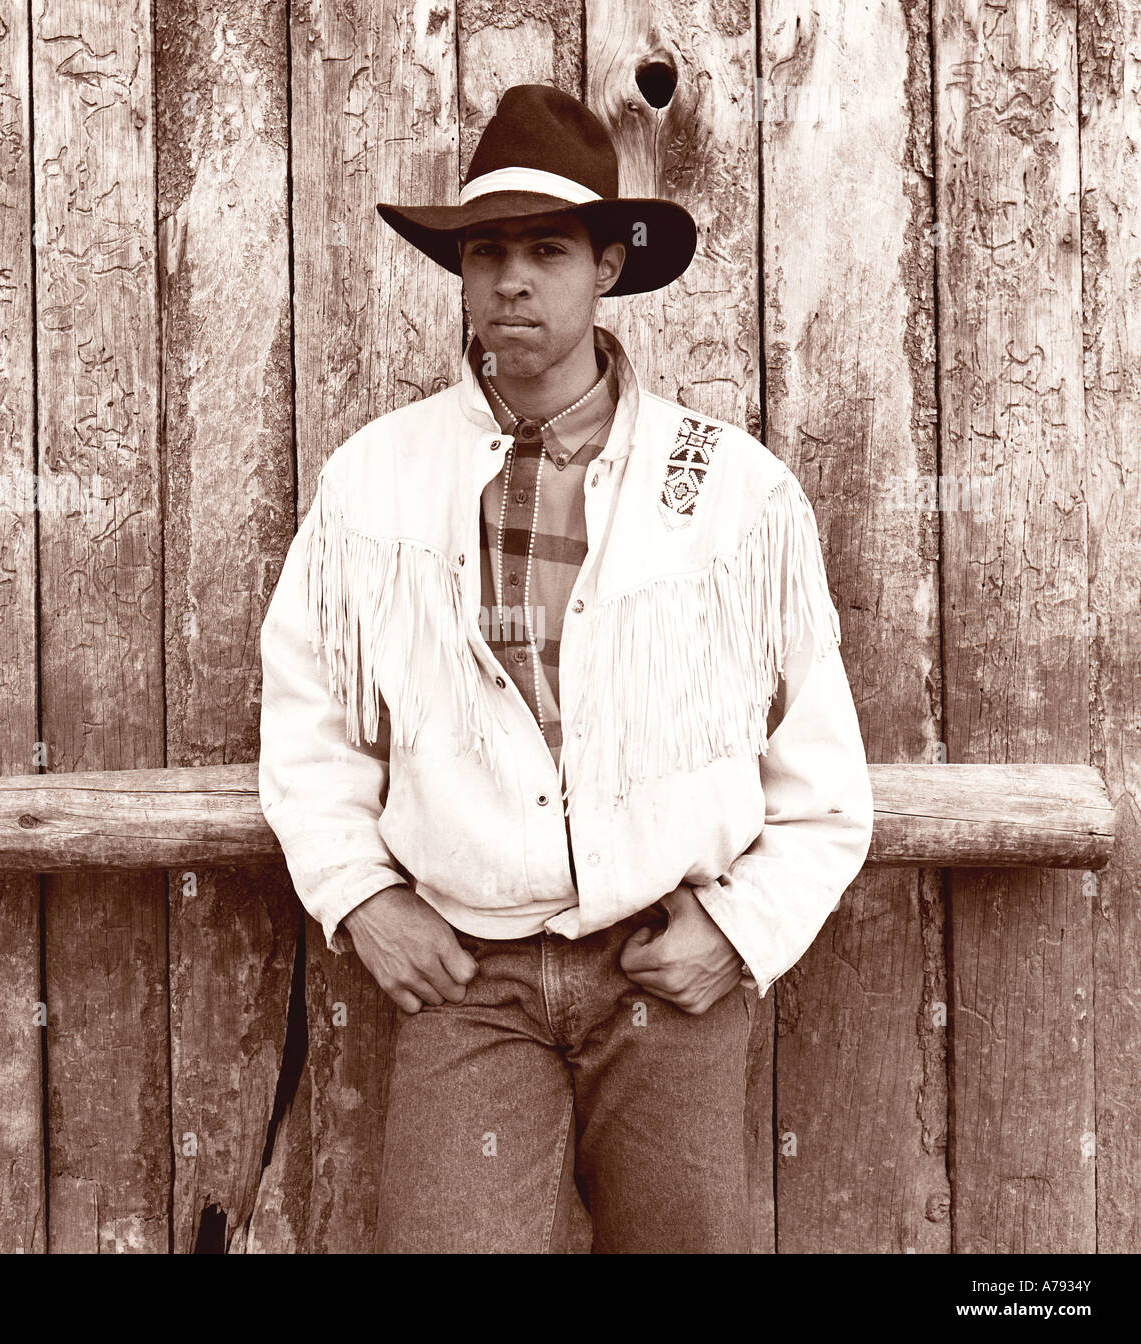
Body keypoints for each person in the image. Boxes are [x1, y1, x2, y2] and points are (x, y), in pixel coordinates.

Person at [259, 84, 874, 1253]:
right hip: (468, 980)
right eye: (485, 252)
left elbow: (824, 781)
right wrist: (360, 896)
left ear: (607, 267)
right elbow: (308, 727)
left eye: (547, 250)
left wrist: (741, 934)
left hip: (667, 965)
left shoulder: (732, 490)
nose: (511, 283)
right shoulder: (374, 482)